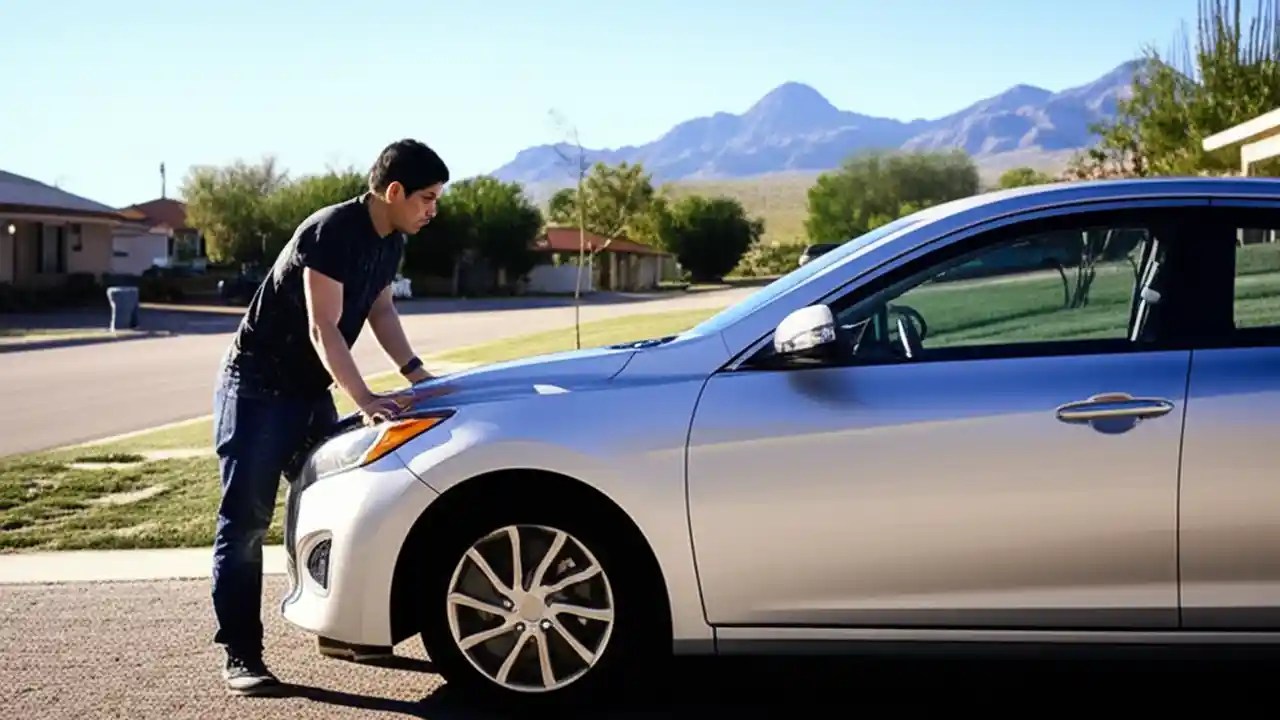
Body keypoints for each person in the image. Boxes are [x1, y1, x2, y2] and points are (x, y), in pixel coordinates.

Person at [210, 139, 449, 695]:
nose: (432, 211)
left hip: (309, 390)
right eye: (427, 199)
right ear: (394, 192)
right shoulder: (331, 231)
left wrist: (418, 376)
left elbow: (381, 310)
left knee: (342, 502)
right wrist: (365, 400)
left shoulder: (390, 239)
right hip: (256, 392)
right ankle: (241, 654)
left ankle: (343, 627)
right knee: (245, 526)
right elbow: (325, 328)